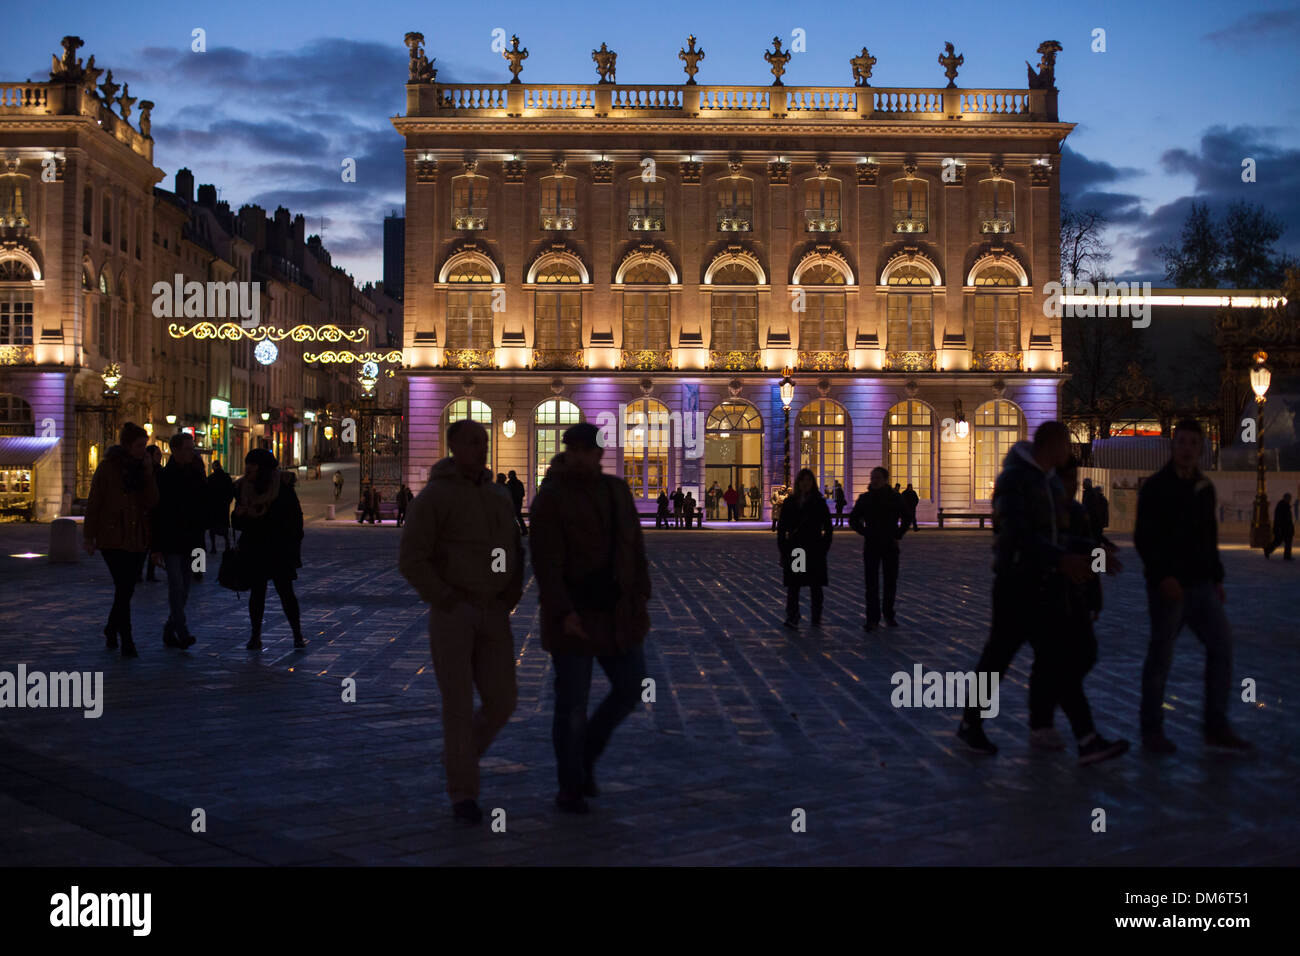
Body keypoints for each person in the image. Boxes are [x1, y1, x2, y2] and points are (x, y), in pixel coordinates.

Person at [398, 420, 524, 825]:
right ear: (453, 447)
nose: (480, 449)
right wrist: (445, 597)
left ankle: (460, 755)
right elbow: (412, 557)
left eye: (483, 442)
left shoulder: (497, 495)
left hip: (494, 609)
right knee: (457, 704)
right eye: (472, 443)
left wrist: (511, 592)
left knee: (502, 700)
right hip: (453, 612)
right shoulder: (436, 496)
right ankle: (463, 793)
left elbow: (513, 547)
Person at [530, 422, 651, 815]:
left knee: (631, 687)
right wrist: (563, 612)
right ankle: (571, 786)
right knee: (572, 705)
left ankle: (585, 757)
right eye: (573, 449)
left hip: (616, 613)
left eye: (587, 449)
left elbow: (635, 545)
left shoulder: (616, 490)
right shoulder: (551, 497)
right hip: (576, 616)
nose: (580, 456)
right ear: (566, 452)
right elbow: (546, 563)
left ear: (600, 453)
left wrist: (640, 595)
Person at [955, 421, 1093, 755]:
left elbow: (1051, 534)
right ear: (1051, 446)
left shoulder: (1043, 480)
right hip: (1017, 583)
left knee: (1049, 658)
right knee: (1000, 658)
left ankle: (1070, 734)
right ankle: (975, 724)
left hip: (1039, 581)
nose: (1070, 452)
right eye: (1066, 445)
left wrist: (1092, 548)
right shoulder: (1017, 480)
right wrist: (1061, 559)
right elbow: (1019, 535)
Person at [1135, 419, 1252, 753]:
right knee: (1161, 656)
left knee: (1221, 648)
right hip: (1169, 585)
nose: (1186, 449)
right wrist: (1162, 576)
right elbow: (1146, 537)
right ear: (1173, 447)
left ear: (1200, 449)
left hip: (1201, 585)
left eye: (1192, 443)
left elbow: (1208, 538)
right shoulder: (1157, 487)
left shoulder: (1204, 487)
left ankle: (1215, 726)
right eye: (1181, 442)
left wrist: (1216, 579)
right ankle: (1151, 730)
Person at [1031, 455, 1129, 764]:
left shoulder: (1077, 511)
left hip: (1075, 596)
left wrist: (1095, 596)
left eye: (1075, 480)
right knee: (1061, 665)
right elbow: (1050, 545)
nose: (1071, 486)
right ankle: (1084, 737)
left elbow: (1088, 550)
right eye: (1066, 480)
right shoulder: (1043, 513)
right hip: (1049, 597)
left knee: (1078, 656)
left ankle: (1043, 722)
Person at [84, 422, 157, 658]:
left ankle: (111, 628)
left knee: (126, 589)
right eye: (139, 446)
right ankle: (127, 639)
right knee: (124, 586)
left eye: (144, 446)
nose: (142, 450)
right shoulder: (107, 468)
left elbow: (153, 501)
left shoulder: (144, 468)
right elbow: (94, 502)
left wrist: (148, 472)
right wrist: (89, 536)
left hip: (138, 538)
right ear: (127, 445)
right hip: (112, 537)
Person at [233, 448, 307, 652]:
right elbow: (237, 523)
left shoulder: (282, 486)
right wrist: (240, 515)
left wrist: (292, 545)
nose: (248, 467)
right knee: (257, 594)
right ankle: (255, 636)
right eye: (247, 463)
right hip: (255, 548)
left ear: (263, 468)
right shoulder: (241, 487)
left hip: (279, 549)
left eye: (253, 464)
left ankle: (297, 634)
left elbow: (294, 518)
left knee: (286, 593)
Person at [153, 432, 207, 649]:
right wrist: (156, 547)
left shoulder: (196, 474)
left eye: (192, 449)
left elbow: (204, 505)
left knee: (186, 587)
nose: (191, 453)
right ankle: (182, 631)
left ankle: (169, 629)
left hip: (194, 542)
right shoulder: (165, 477)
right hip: (172, 541)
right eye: (186, 449)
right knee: (176, 586)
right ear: (174, 451)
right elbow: (158, 514)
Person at [849, 467, 904, 632]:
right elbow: (854, 519)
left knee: (890, 581)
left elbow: (907, 516)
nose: (875, 481)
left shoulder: (895, 498)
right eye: (873, 478)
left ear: (885, 479)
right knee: (871, 583)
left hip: (890, 543)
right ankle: (872, 618)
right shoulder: (865, 498)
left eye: (878, 478)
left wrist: (898, 534)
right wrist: (865, 532)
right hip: (872, 544)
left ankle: (888, 614)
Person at [778, 468, 833, 629]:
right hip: (797, 550)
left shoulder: (819, 502)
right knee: (794, 584)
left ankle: (816, 616)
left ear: (812, 483)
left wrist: (824, 546)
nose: (805, 483)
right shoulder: (790, 502)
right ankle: (793, 615)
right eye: (803, 480)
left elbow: (828, 528)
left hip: (814, 548)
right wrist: (783, 550)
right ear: (798, 483)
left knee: (816, 585)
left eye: (808, 480)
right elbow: (782, 528)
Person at [141, 444, 164, 582]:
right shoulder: (144, 472)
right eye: (157, 454)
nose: (160, 456)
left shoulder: (161, 472)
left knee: (154, 545)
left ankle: (150, 572)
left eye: (160, 454)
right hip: (146, 513)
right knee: (144, 544)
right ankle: (138, 572)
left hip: (157, 513)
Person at [206, 461, 235, 553]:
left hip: (214, 505)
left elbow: (207, 492)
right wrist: (228, 501)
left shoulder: (211, 478)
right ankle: (227, 544)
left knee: (213, 527)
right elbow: (231, 490)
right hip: (223, 505)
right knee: (224, 526)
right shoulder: (226, 477)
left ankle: (214, 547)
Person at [1265, 492, 1294, 560]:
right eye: (1289, 498)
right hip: (1283, 527)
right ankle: (1268, 550)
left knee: (1286, 542)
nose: (1290, 500)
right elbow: (1280, 518)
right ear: (1285, 498)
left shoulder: (1284, 505)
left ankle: (1287, 556)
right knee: (1279, 541)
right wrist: (1279, 527)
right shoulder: (1282, 506)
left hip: (1285, 528)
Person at [506, 469, 528, 536]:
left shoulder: (509, 483)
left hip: (512, 502)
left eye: (509, 475)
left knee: (512, 517)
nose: (508, 476)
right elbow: (523, 493)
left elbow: (508, 493)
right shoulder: (519, 483)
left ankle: (514, 531)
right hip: (518, 502)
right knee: (518, 517)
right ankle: (524, 530)